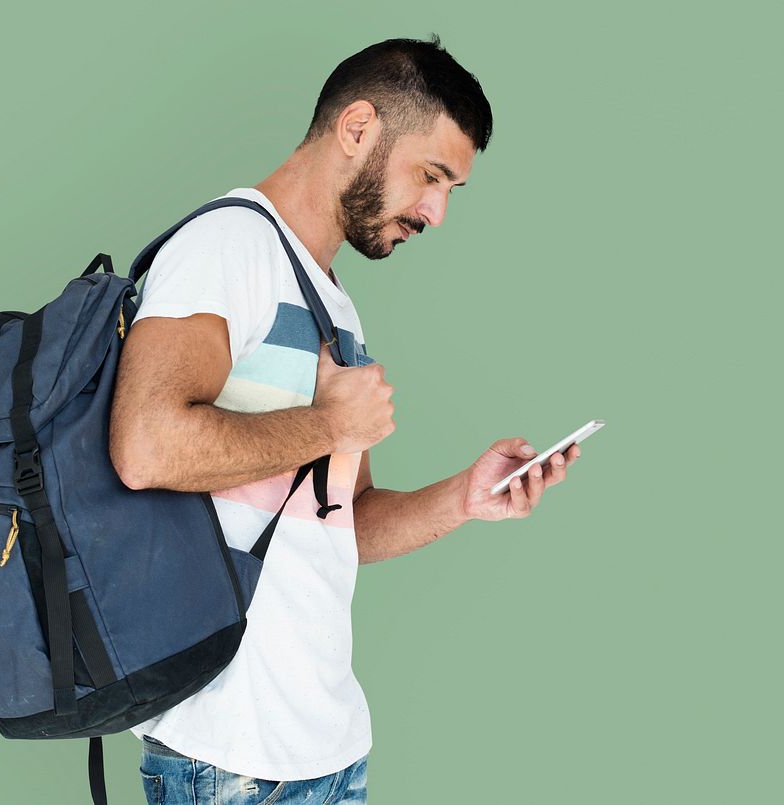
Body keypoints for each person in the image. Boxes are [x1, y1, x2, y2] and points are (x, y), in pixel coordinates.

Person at [110, 33, 580, 805]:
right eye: (432, 176)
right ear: (358, 128)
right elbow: (145, 444)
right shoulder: (229, 247)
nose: (436, 211)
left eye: (451, 189)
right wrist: (331, 422)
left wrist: (465, 496)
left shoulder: (333, 303)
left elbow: (342, 522)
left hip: (328, 753)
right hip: (230, 762)